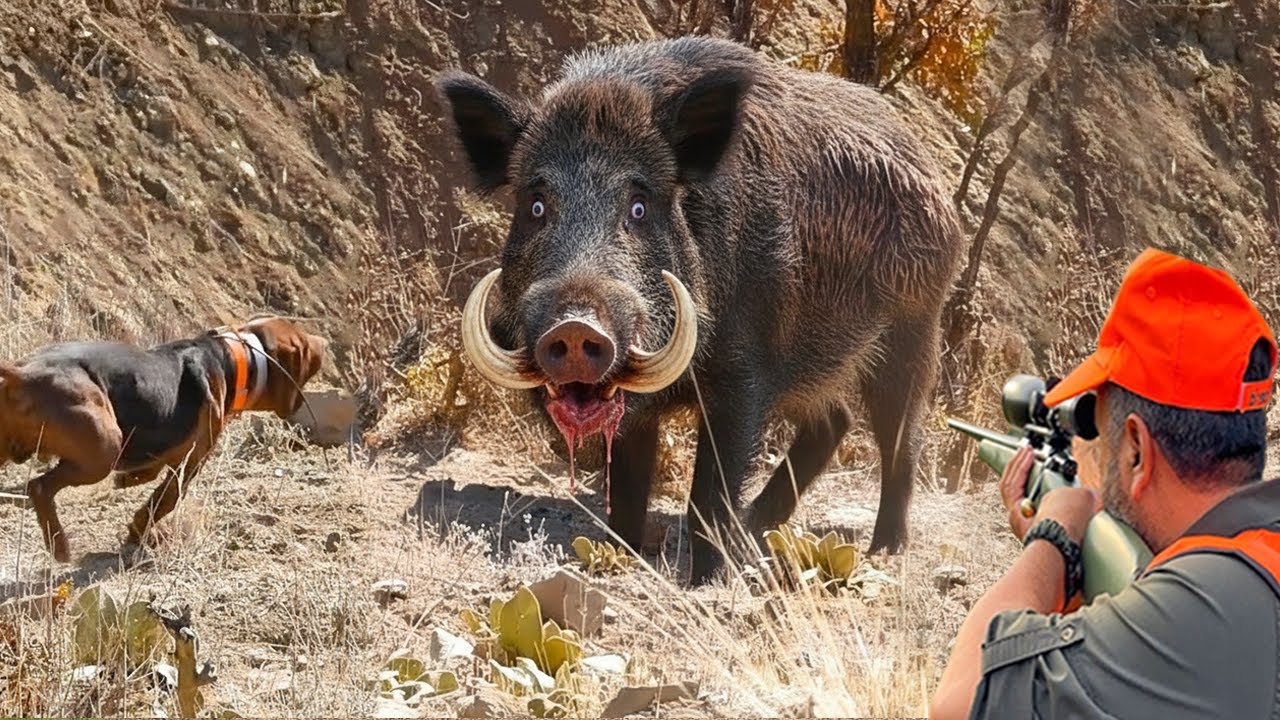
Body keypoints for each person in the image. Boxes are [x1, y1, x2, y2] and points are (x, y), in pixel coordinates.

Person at [930, 247, 1280, 719]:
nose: (1094, 449)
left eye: (1100, 429)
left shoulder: (1207, 606)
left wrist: (1050, 539)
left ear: (1136, 448)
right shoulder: (1255, 560)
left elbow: (957, 704)